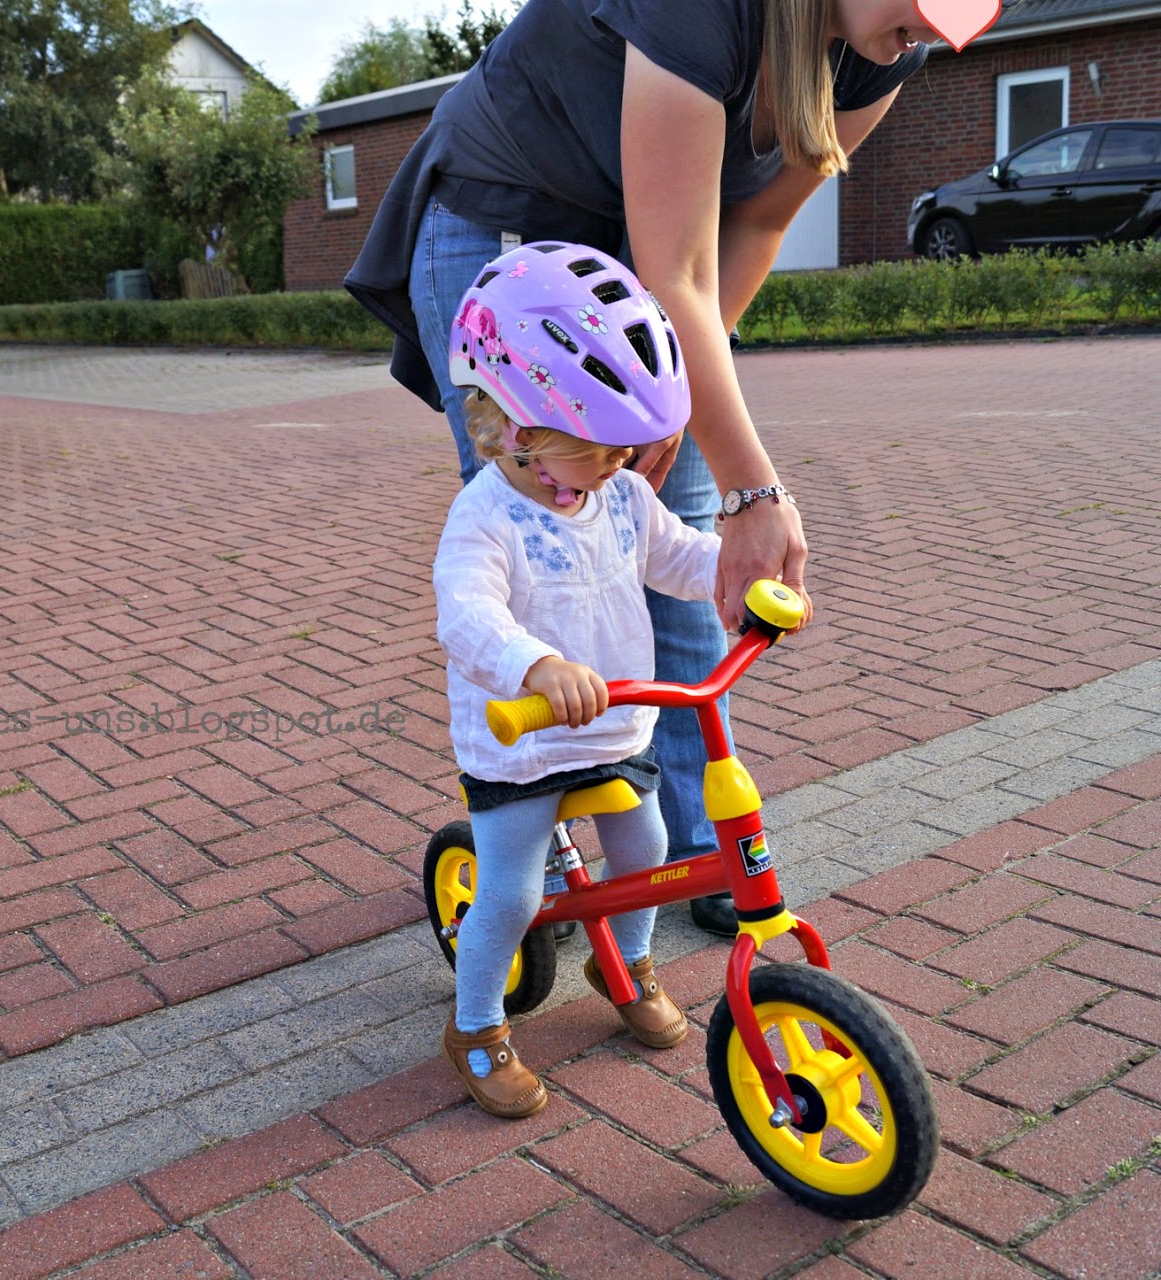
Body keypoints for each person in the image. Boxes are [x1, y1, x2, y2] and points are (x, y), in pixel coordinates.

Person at [347, 0, 933, 936]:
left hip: (650, 268)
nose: (939, 32)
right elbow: (676, 269)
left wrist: (678, 405)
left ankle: (695, 855)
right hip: (512, 237)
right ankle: (529, 838)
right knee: (544, 535)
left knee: (676, 530)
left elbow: (755, 224)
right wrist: (756, 488)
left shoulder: (880, 45)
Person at [434, 244, 718, 1118]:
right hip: (521, 745)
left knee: (650, 850)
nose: (622, 462)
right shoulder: (485, 515)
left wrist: (736, 575)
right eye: (600, 446)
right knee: (515, 892)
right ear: (514, 427)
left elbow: (676, 556)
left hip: (612, 731)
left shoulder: (624, 496)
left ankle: (624, 963)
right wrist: (537, 666)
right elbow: (467, 616)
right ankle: (476, 1025)